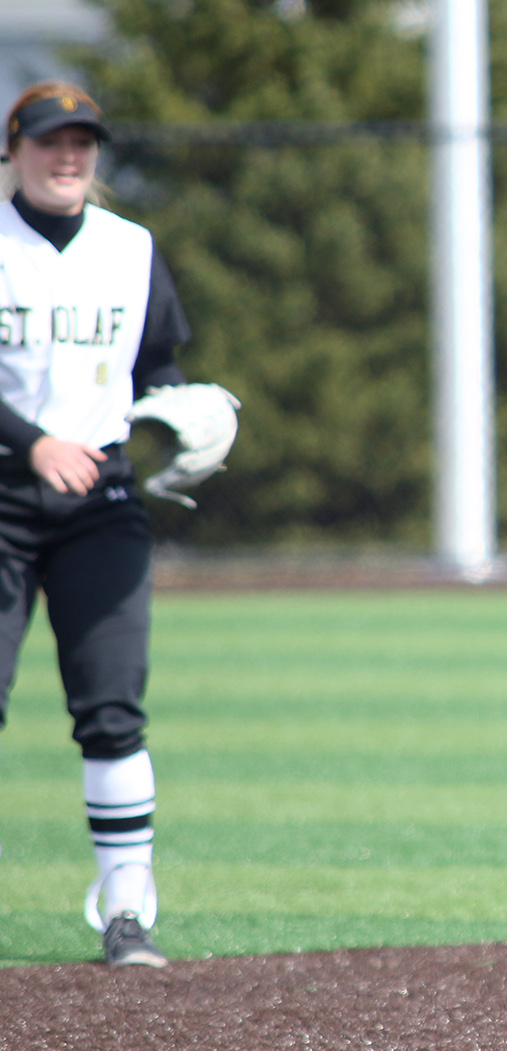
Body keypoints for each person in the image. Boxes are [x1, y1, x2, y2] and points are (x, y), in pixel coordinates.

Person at [0, 84, 199, 968]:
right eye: (49, 141)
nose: (67, 155)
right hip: (4, 493)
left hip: (102, 504)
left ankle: (127, 916)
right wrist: (33, 444)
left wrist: (187, 421)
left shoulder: (132, 247)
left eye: (81, 141)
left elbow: (156, 363)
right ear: (14, 152)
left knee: (113, 711)